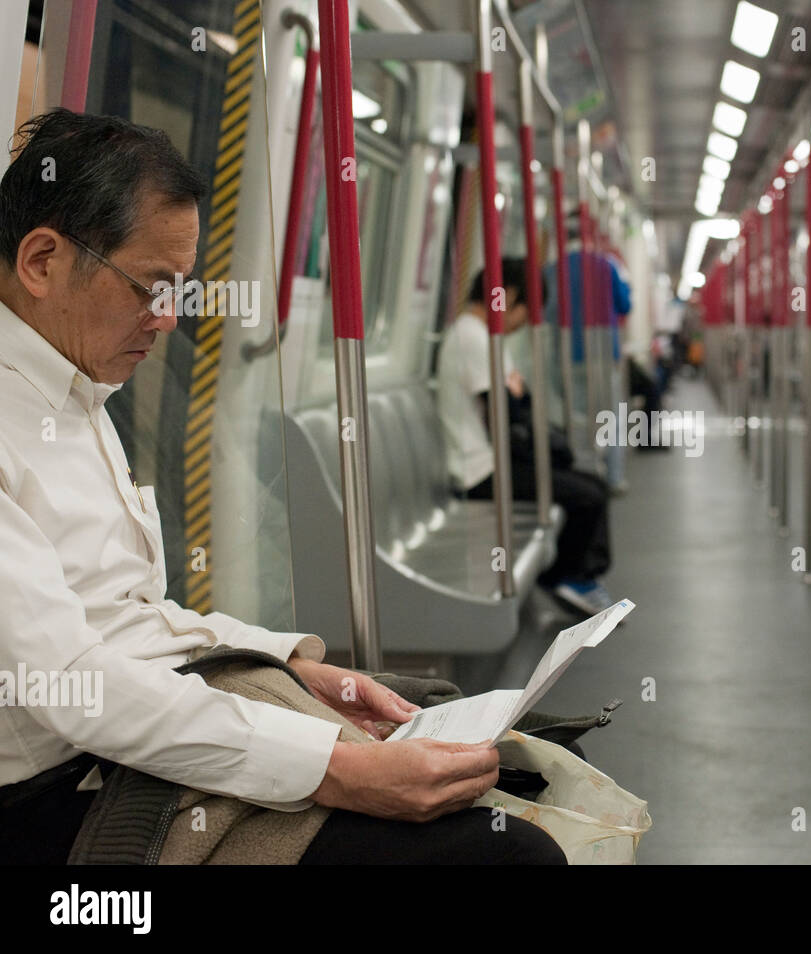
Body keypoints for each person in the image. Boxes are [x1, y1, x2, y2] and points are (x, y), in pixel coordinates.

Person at [0, 109, 563, 864]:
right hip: (50, 803)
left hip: (123, 743)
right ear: (42, 261)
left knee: (495, 764)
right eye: (153, 287)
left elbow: (127, 619)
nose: (167, 321)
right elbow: (75, 682)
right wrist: (337, 771)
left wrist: (285, 664)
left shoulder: (77, 393)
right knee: (502, 854)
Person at [439, 257, 616, 617]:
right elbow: (505, 409)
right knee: (586, 495)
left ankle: (573, 576)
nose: (521, 325)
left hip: (491, 460)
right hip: (479, 472)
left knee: (591, 486)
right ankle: (565, 577)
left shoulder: (482, 336)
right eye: (525, 312)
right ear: (508, 297)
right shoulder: (472, 338)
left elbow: (514, 401)